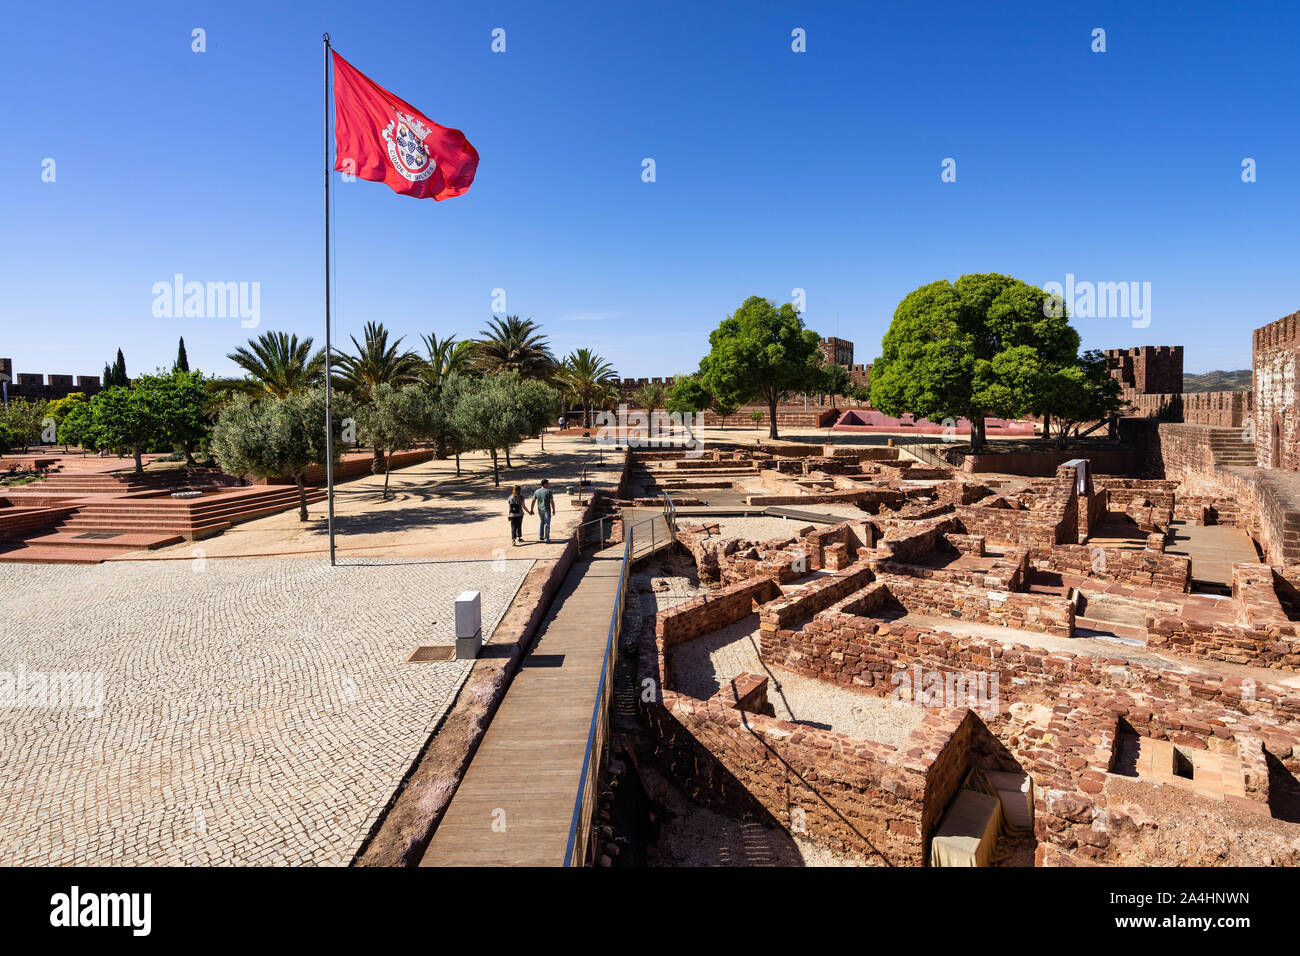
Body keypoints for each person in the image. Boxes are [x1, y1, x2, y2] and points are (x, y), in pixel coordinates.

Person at [530, 478, 556, 543]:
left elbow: (533, 501)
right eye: (547, 483)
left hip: (540, 509)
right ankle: (547, 539)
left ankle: (541, 536)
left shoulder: (537, 491)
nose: (548, 484)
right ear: (544, 484)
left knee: (541, 521)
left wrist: (532, 509)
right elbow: (551, 501)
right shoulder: (548, 491)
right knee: (547, 524)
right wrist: (553, 509)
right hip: (547, 509)